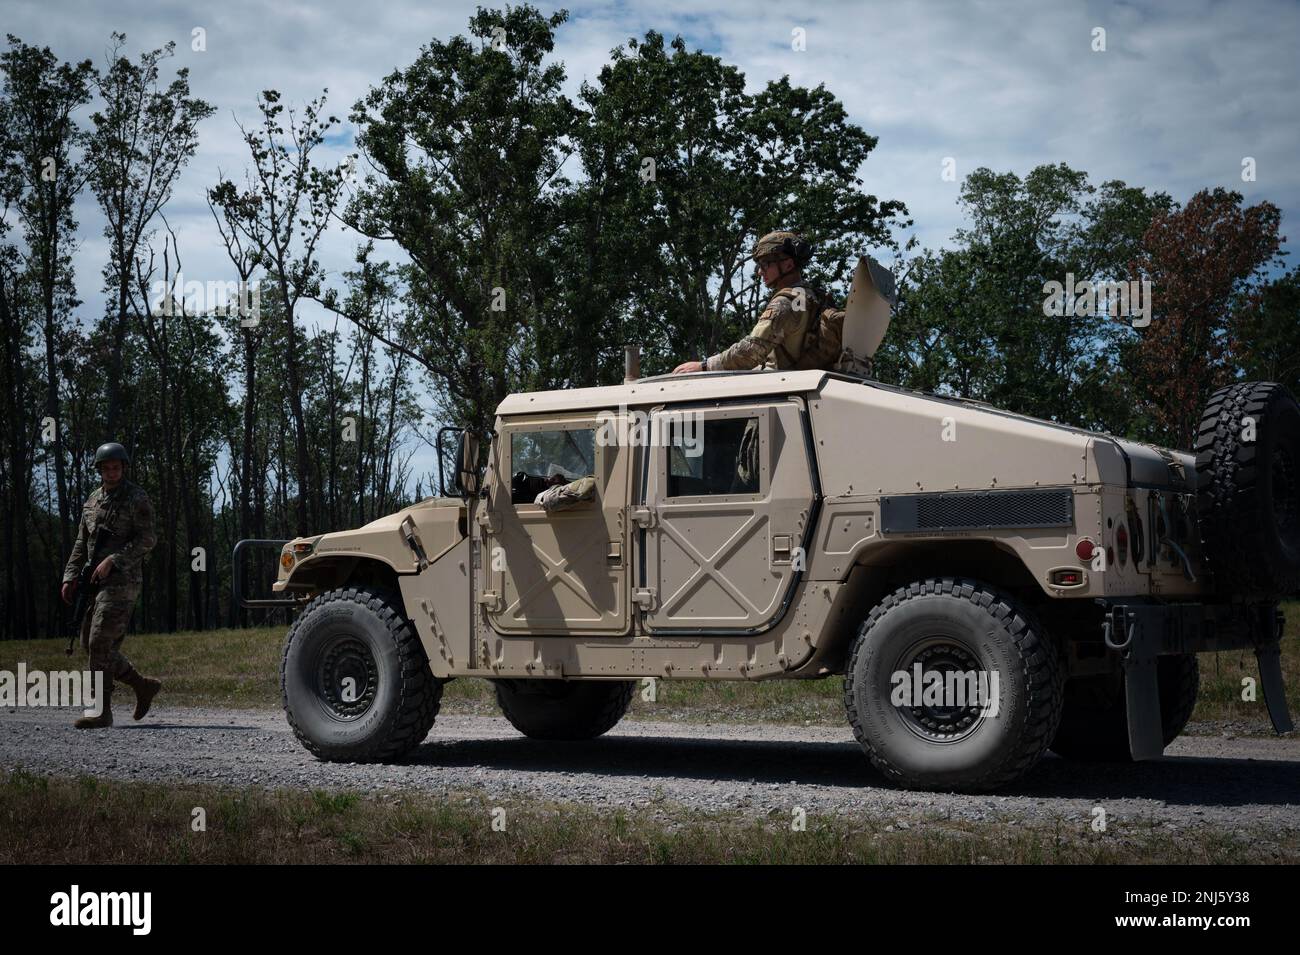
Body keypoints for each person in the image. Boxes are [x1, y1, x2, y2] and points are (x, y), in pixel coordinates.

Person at [60, 442, 161, 729]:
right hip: (93, 583)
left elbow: (147, 539)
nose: (112, 472)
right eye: (107, 468)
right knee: (89, 645)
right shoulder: (92, 501)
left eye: (116, 467)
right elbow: (82, 543)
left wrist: (114, 560)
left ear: (123, 468)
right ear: (100, 470)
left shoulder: (136, 497)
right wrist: (69, 576)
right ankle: (142, 685)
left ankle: (101, 711)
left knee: (99, 643)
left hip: (123, 581)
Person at [672, 230, 824, 374]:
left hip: (782, 389)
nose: (759, 271)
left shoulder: (786, 302)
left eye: (765, 264)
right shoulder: (812, 296)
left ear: (788, 265)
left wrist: (704, 366)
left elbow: (751, 351)